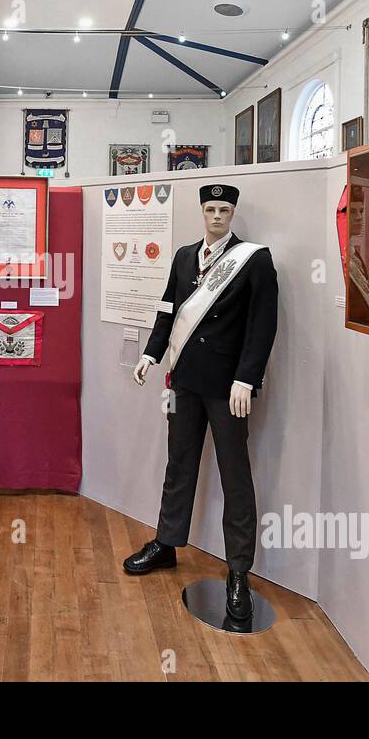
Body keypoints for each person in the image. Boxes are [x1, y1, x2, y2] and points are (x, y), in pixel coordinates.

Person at [122, 184, 278, 623]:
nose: (216, 216)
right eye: (209, 209)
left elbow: (263, 325)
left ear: (233, 213)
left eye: (223, 209)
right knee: (180, 463)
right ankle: (167, 543)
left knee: (235, 476)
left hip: (229, 387)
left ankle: (238, 571)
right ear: (201, 212)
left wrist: (247, 378)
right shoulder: (184, 256)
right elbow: (167, 309)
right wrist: (151, 354)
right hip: (185, 382)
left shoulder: (254, 259)